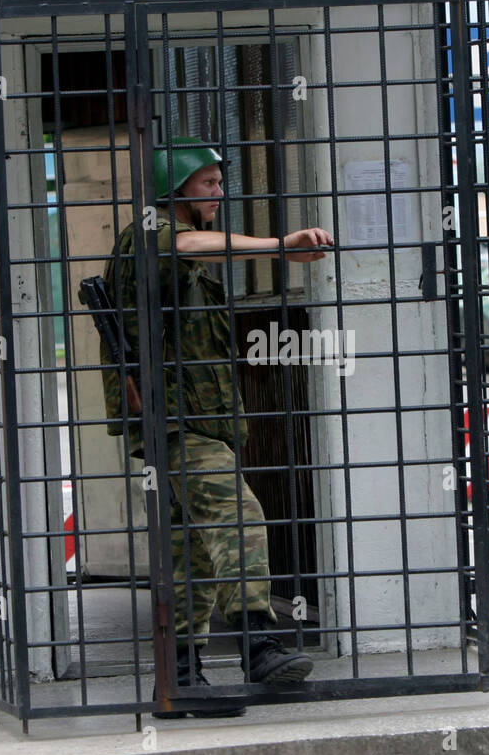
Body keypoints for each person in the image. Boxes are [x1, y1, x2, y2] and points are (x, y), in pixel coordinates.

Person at [102, 137, 334, 717]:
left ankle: (182, 681)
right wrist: (281, 245)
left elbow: (202, 253)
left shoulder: (181, 247)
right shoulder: (149, 234)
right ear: (174, 189)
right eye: (207, 183)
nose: (219, 192)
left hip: (197, 423)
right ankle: (258, 643)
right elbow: (190, 245)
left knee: (192, 555)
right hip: (177, 425)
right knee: (238, 515)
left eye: (219, 181)